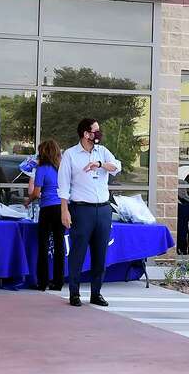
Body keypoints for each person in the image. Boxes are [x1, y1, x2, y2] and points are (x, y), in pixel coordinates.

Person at [58, 118, 120, 307]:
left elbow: (117, 166)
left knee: (100, 254)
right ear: (86, 134)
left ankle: (96, 293)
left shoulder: (102, 151)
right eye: (96, 131)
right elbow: (63, 185)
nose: (99, 133)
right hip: (81, 209)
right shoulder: (70, 155)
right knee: (78, 253)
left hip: (102, 209)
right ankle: (74, 293)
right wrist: (65, 210)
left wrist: (99, 164)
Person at [25, 139, 64, 291]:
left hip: (47, 208)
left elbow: (36, 192)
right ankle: (59, 281)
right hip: (61, 207)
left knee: (43, 244)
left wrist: (28, 201)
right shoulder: (61, 168)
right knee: (59, 245)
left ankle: (42, 282)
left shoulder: (42, 169)